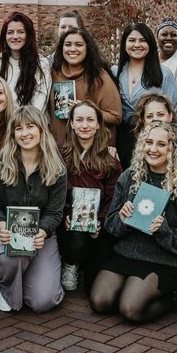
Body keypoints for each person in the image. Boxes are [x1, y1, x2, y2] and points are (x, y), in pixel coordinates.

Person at [89, 121, 177, 323]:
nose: (153, 149)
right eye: (149, 142)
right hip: (128, 252)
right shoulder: (129, 177)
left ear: (173, 148)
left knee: (131, 309)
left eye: (161, 144)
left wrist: (165, 231)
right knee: (100, 302)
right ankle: (132, 288)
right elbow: (111, 224)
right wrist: (122, 220)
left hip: (166, 258)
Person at [0, 106, 67, 313]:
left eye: (30, 127)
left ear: (41, 130)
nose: (25, 133)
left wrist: (43, 231)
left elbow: (55, 212)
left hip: (41, 238)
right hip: (3, 235)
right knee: (12, 257)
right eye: (18, 129)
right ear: (13, 134)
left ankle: (29, 273)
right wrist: (3, 228)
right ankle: (5, 286)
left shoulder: (57, 167)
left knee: (42, 301)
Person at [57, 101, 123, 294]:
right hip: (70, 223)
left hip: (98, 223)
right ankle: (70, 263)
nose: (84, 125)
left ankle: (88, 264)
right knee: (76, 241)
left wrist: (102, 220)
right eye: (79, 120)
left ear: (98, 124)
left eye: (89, 120)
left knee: (93, 289)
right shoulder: (59, 152)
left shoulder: (109, 158)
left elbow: (114, 195)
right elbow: (54, 190)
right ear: (71, 123)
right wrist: (66, 213)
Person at [112, 23, 177, 167]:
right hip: (120, 142)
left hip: (152, 141)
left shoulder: (164, 74)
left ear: (150, 44)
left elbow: (174, 114)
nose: (137, 44)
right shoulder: (114, 72)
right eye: (132, 40)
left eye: (142, 40)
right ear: (124, 44)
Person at [47, 27, 122, 144]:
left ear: (87, 49)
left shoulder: (99, 77)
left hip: (90, 152)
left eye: (78, 44)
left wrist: (86, 110)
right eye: (68, 44)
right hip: (56, 151)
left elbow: (115, 117)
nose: (72, 49)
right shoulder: (52, 74)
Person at [0, 11, 52, 111]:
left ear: (28, 35)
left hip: (30, 123)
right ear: (4, 36)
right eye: (10, 32)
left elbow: (40, 104)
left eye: (20, 32)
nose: (15, 36)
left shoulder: (41, 65)